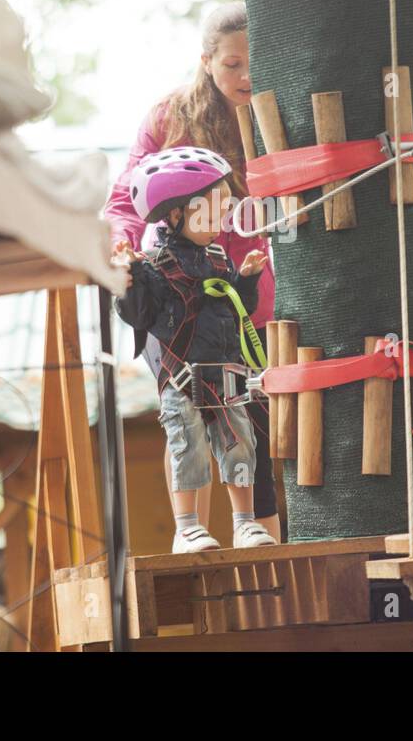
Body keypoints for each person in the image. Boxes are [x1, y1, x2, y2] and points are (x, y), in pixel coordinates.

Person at [105, 3, 281, 541]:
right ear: (205, 61)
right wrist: (122, 252)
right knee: (189, 410)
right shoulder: (170, 117)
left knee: (253, 423)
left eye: (256, 61)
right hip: (176, 295)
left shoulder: (279, 111)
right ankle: (191, 536)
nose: (246, 76)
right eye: (232, 64)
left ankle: (258, 538)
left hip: (249, 295)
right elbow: (122, 203)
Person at [113, 147, 277, 553]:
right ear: (174, 214)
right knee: (189, 447)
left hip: (226, 373)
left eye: (223, 209)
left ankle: (244, 522)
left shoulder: (219, 261)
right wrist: (129, 280)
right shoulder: (151, 267)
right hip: (181, 377)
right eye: (209, 211)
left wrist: (248, 281)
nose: (220, 221)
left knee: (241, 443)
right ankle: (186, 527)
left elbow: (239, 310)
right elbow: (139, 316)